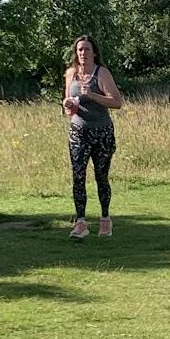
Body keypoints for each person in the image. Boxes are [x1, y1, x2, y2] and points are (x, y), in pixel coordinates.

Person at [62, 35, 123, 239]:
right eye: (79, 50)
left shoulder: (101, 73)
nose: (83, 53)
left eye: (87, 49)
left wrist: (93, 95)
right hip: (78, 131)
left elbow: (117, 102)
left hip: (102, 132)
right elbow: (68, 103)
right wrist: (69, 105)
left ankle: (105, 220)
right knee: (78, 176)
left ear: (94, 53)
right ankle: (80, 222)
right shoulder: (71, 74)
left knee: (101, 176)